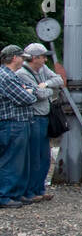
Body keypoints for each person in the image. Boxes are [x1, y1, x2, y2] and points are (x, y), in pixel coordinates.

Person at [0, 44, 45, 207]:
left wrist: (29, 90)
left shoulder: (11, 75)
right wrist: (30, 91)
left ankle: (16, 193)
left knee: (19, 161)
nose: (23, 61)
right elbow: (28, 98)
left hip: (17, 122)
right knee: (11, 160)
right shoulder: (7, 77)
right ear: (14, 58)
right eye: (21, 57)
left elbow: (31, 90)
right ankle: (5, 195)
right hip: (12, 123)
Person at [19, 43, 63, 201]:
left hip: (43, 117)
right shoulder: (22, 73)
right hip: (34, 118)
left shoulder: (42, 69)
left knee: (44, 157)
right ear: (34, 58)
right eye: (43, 57)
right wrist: (49, 90)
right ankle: (31, 191)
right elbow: (39, 95)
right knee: (35, 156)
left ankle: (39, 188)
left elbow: (58, 80)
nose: (45, 59)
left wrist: (47, 85)